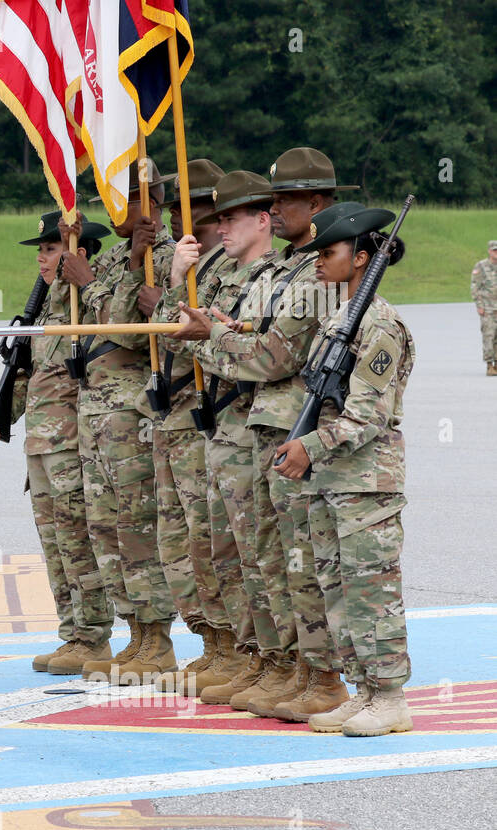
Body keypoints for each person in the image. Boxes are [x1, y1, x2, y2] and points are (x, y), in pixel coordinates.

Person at [173, 148, 354, 720]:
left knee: (294, 561)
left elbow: (272, 357)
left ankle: (319, 674)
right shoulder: (281, 273)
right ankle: (281, 663)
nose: (275, 211)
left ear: (317, 203)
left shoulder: (319, 276)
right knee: (261, 558)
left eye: (285, 201)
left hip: (292, 428)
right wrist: (223, 335)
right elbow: (252, 339)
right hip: (260, 426)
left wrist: (210, 342)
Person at [274, 202, 414, 736]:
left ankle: (390, 695)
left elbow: (368, 417)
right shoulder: (338, 319)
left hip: (366, 481)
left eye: (327, 252)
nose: (316, 261)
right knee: (336, 587)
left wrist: (310, 446)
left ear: (361, 258)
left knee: (370, 589)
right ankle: (362, 690)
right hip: (332, 480)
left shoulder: (379, 325)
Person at [0, 213, 115, 675]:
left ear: (78, 252)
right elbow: (30, 378)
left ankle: (93, 637)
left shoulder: (87, 305)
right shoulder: (45, 311)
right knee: (55, 545)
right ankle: (71, 633)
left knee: (79, 541)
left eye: (52, 248)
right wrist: (0, 417)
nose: (42, 255)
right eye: (43, 247)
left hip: (74, 443)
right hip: (42, 443)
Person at [57, 162, 177, 684]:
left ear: (153, 200)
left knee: (137, 529)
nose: (117, 208)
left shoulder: (167, 258)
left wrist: (126, 267)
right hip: (96, 416)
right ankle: (134, 633)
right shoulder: (112, 259)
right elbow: (74, 327)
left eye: (128, 197)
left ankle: (158, 638)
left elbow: (131, 333)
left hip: (133, 417)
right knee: (106, 530)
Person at [168, 170, 283, 707]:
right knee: (221, 551)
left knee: (257, 554)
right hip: (220, 429)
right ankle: (244, 651)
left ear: (263, 220)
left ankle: (270, 659)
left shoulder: (277, 278)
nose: (221, 227)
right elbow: (177, 334)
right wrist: (176, 278)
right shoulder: (225, 274)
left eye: (231, 217)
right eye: (219, 219)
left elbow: (256, 360)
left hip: (246, 425)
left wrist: (208, 343)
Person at [146, 158, 236, 695]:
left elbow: (200, 337)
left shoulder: (231, 270)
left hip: (210, 418)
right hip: (174, 416)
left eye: (201, 209)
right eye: (185, 210)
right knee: (182, 545)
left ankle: (235, 646)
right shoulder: (191, 265)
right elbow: (157, 340)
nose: (194, 221)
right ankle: (212, 642)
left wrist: (179, 282)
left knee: (215, 542)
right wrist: (175, 278)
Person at [471, 240, 497, 375]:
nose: (496, 253)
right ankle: (489, 365)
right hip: (488, 309)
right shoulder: (481, 266)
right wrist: (480, 306)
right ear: (489, 251)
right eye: (494, 250)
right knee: (489, 336)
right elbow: (475, 287)